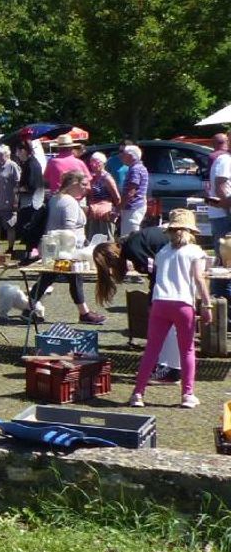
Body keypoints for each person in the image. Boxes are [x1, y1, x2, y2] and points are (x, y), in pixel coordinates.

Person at [129, 209, 212, 409]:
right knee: (187, 350)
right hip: (183, 304)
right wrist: (207, 304)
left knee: (151, 350)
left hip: (160, 303)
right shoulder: (195, 252)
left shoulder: (162, 252)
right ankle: (187, 394)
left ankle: (137, 394)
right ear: (191, 231)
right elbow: (199, 279)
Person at [92, 226, 182, 384]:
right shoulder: (132, 243)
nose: (113, 269)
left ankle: (171, 371)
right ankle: (167, 367)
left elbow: (157, 272)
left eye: (110, 266)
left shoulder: (133, 248)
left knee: (166, 327)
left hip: (173, 280)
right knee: (167, 328)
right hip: (176, 275)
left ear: (112, 256)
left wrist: (153, 300)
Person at [25, 171, 105, 325]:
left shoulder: (55, 198)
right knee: (71, 278)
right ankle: (84, 313)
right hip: (67, 250)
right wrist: (76, 249)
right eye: (83, 184)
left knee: (48, 279)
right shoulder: (69, 202)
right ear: (74, 183)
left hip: (55, 249)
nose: (86, 188)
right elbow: (68, 229)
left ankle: (29, 308)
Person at [205, 132, 231, 306]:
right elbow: (221, 186)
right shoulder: (225, 160)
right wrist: (228, 209)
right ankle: (221, 304)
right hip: (224, 216)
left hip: (223, 213)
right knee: (224, 261)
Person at [14, 135, 48, 262]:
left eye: (17, 151)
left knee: (29, 228)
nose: (17, 154)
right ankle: (28, 255)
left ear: (23, 151)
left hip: (32, 202)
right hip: (30, 201)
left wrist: (17, 189)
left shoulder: (31, 164)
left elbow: (31, 186)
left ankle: (30, 256)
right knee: (27, 229)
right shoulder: (28, 163)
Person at [0, 144, 20, 254]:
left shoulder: (13, 166)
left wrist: (16, 201)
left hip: (8, 203)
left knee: (9, 226)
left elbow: (18, 184)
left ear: (7, 154)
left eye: (0, 155)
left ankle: (11, 249)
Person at [84, 151, 121, 241]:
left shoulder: (107, 178)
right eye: (91, 161)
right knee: (92, 239)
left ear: (102, 163)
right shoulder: (93, 177)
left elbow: (117, 198)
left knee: (106, 239)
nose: (92, 164)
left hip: (105, 214)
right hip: (93, 213)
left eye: (95, 162)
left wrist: (116, 212)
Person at [119, 144, 150, 237]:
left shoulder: (135, 169)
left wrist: (119, 207)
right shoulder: (139, 167)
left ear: (130, 156)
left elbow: (131, 192)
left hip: (133, 207)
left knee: (127, 237)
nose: (121, 156)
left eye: (123, 154)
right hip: (137, 206)